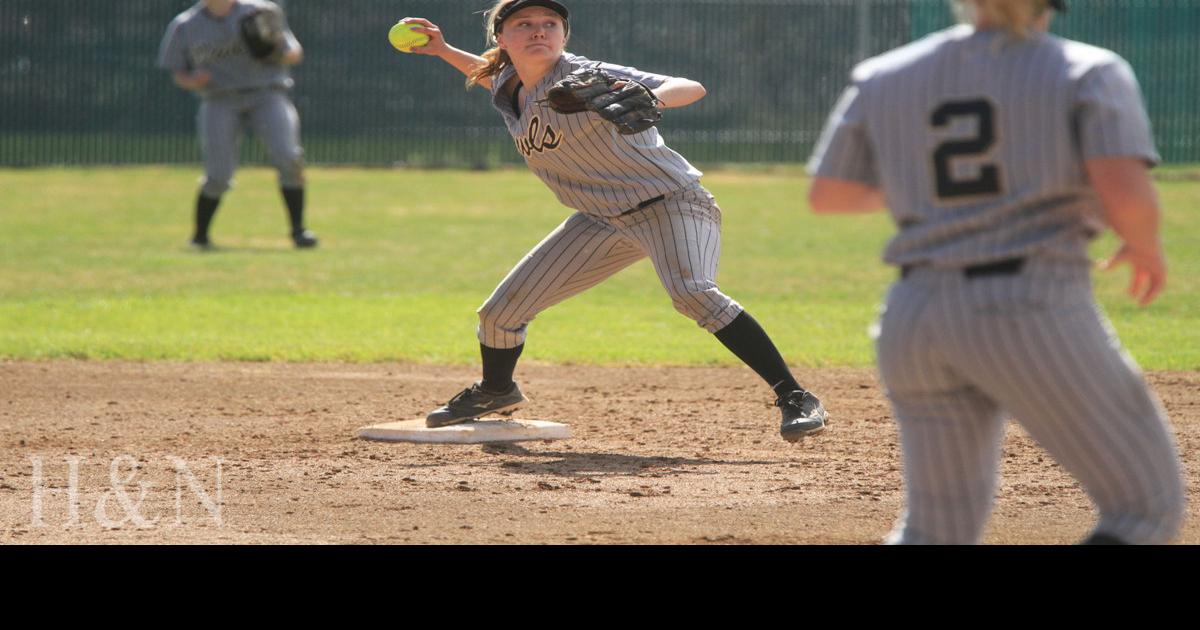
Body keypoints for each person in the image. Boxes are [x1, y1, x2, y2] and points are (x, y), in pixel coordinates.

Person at [807, 0, 1185, 543]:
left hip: (913, 317)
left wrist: (942, 193)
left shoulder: (884, 74)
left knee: (932, 530)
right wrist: (1144, 246)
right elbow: (1124, 192)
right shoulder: (1086, 69)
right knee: (1144, 511)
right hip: (1028, 306)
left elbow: (830, 194)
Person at [402, 0, 828, 442]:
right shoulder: (511, 83)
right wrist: (444, 49)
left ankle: (795, 396)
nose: (539, 32)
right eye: (524, 25)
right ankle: (496, 389)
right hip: (601, 219)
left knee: (692, 293)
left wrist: (649, 97)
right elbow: (492, 74)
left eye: (550, 24)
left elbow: (691, 86)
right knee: (499, 314)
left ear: (564, 36)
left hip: (671, 203)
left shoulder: (586, 75)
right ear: (502, 39)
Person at [158, 0, 318, 250]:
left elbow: (294, 52)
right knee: (218, 175)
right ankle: (200, 237)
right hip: (220, 99)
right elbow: (178, 73)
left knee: (289, 157)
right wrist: (192, 80)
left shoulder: (261, 11)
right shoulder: (185, 25)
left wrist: (276, 51)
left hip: (267, 94)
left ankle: (299, 231)